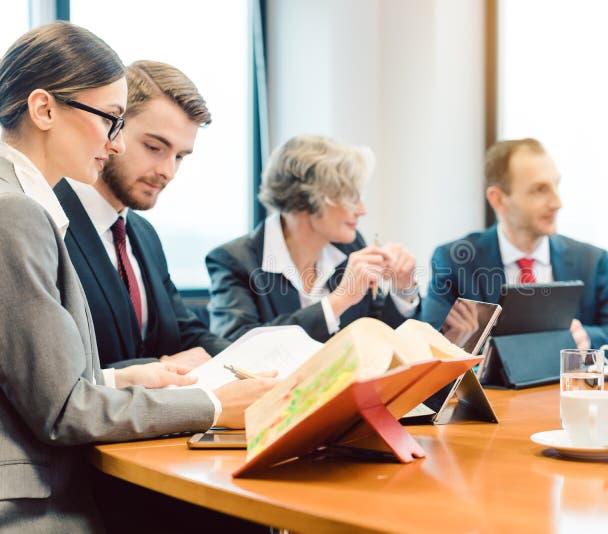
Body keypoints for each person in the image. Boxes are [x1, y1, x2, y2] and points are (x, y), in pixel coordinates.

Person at [0, 22, 274, 531]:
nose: (117, 145)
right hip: (37, 508)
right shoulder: (17, 213)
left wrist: (126, 376)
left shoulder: (33, 208)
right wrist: (215, 403)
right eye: (111, 120)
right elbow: (63, 410)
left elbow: (35, 383)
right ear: (43, 110)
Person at [54, 60, 228, 369]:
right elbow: (53, 383)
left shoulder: (143, 234)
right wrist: (156, 372)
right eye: (154, 147)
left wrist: (254, 361)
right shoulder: (50, 221)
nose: (168, 171)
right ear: (113, 130)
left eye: (179, 157)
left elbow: (183, 331)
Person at [421, 138, 608, 348]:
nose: (557, 203)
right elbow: (426, 345)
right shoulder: (455, 261)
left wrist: (585, 337)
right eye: (539, 190)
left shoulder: (589, 261)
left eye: (555, 185)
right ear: (498, 199)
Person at [206, 134, 420, 342]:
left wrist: (404, 289)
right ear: (307, 200)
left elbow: (377, 333)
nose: (362, 210)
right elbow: (235, 346)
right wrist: (339, 300)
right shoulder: (234, 260)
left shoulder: (349, 247)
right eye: (350, 197)